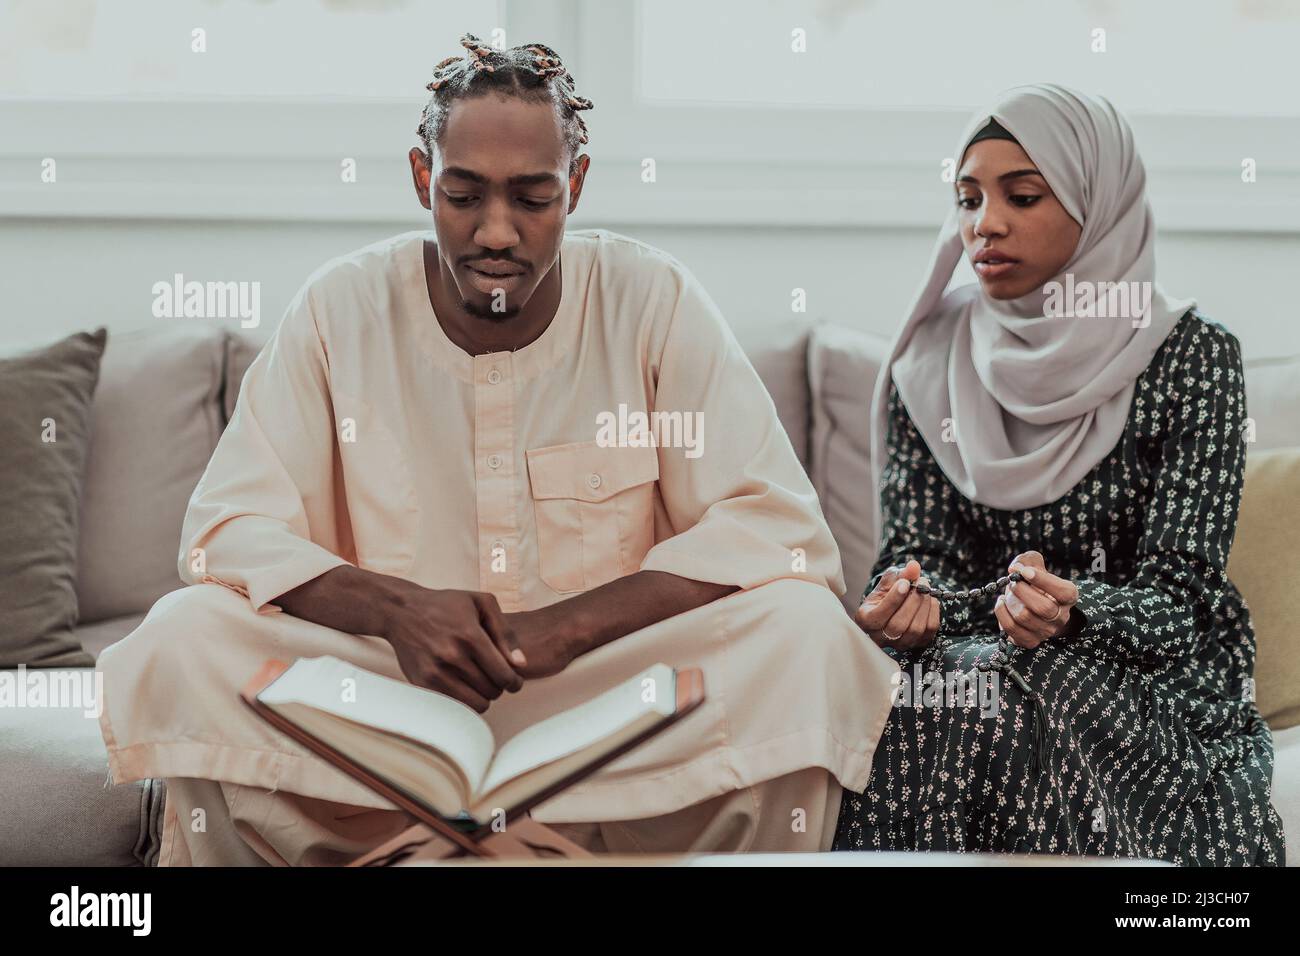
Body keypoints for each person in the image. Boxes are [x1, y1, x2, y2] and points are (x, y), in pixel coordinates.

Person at [95, 34, 898, 866]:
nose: (497, 231)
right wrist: (396, 610)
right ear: (421, 179)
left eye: (533, 196)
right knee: (188, 632)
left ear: (576, 186)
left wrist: (565, 628)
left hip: (609, 710)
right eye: (464, 194)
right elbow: (225, 534)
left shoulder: (651, 300)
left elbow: (775, 532)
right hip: (385, 709)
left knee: (802, 628)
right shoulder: (342, 308)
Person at [835, 84, 1285, 865]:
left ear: (1099, 201)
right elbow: (916, 555)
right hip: (974, 649)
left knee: (1026, 686)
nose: (986, 224)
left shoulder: (1192, 357)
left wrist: (1073, 614)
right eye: (968, 198)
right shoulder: (928, 361)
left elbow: (1181, 599)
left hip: (1144, 661)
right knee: (926, 692)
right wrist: (910, 604)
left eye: (1023, 195)